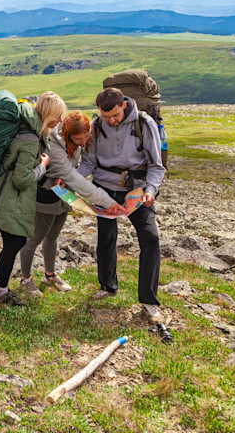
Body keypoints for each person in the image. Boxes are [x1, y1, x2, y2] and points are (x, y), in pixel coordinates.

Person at [77, 87, 166, 323]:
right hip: (104, 188)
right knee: (106, 237)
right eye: (105, 116)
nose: (111, 121)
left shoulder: (144, 124)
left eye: (114, 115)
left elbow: (156, 165)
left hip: (137, 190)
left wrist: (150, 190)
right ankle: (107, 286)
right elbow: (88, 163)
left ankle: (149, 301)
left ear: (124, 105)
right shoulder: (96, 126)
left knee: (151, 238)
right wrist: (71, 179)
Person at [18, 111, 124, 297]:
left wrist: (69, 178)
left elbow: (74, 172)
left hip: (64, 194)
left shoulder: (76, 142)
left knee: (53, 236)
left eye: (86, 137)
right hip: (46, 194)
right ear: (68, 136)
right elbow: (74, 178)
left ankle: (49, 275)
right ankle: (25, 280)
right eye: (78, 139)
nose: (83, 142)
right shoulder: (55, 145)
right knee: (34, 238)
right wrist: (107, 202)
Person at [0, 91, 65, 306]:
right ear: (48, 115)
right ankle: (1, 292)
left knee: (14, 242)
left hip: (1, 194)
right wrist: (42, 167)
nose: (60, 120)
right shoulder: (30, 140)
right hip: (7, 197)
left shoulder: (28, 129)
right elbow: (22, 179)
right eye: (57, 116)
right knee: (14, 243)